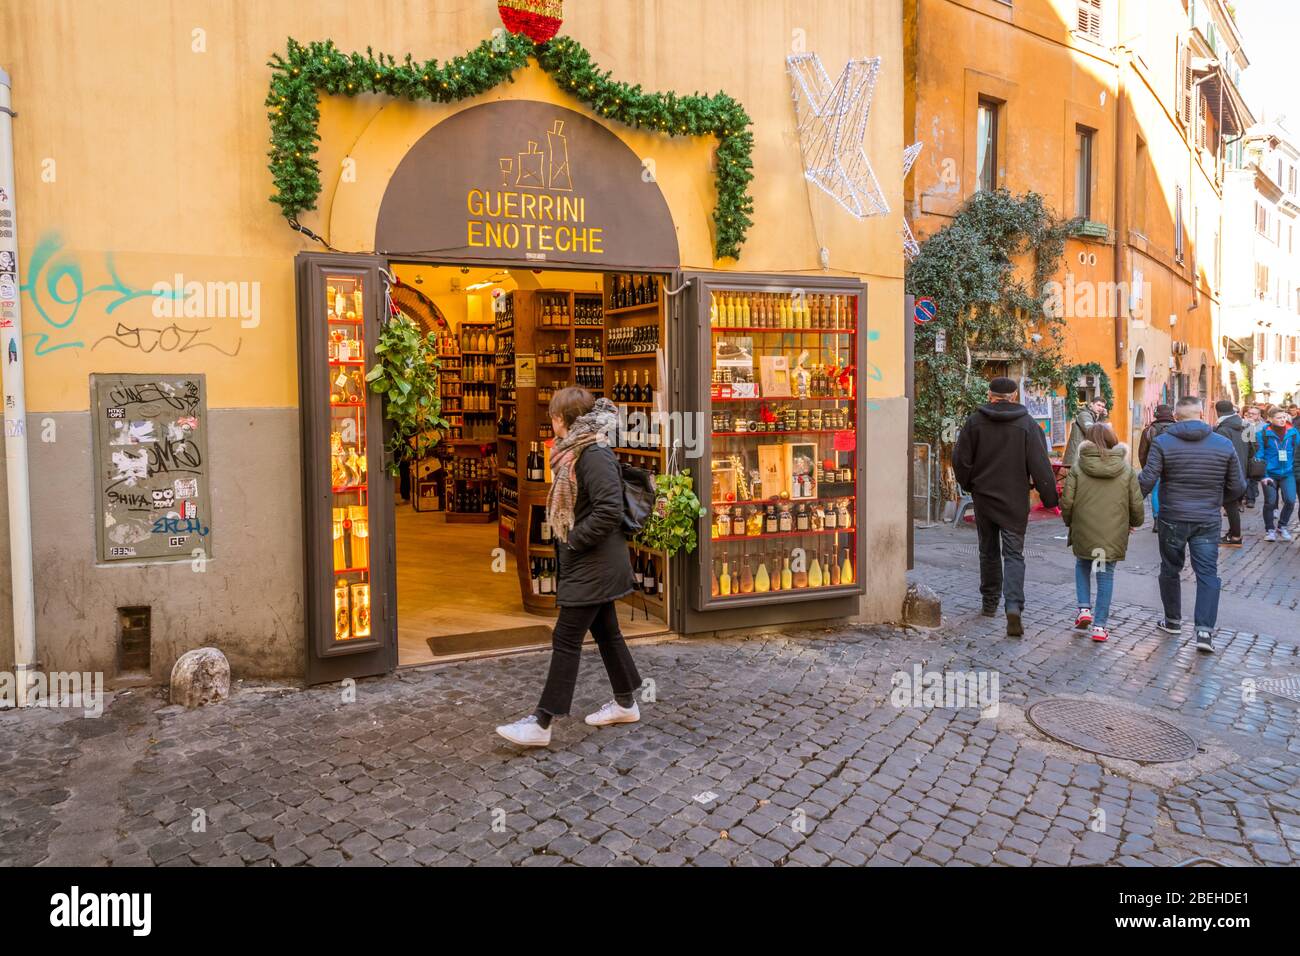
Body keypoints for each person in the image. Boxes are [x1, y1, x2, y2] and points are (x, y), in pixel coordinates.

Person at [496, 390, 643, 748]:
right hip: (593, 562)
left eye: (554, 416)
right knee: (607, 632)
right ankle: (626, 703)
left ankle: (541, 723)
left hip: (594, 562)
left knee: (566, 638)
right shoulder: (577, 451)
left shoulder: (593, 454)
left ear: (568, 419)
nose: (552, 421)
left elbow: (608, 510)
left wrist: (574, 539)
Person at [953, 377, 1060, 637]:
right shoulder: (1027, 424)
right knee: (1014, 554)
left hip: (984, 498)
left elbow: (960, 460)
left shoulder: (974, 422)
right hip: (1014, 500)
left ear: (990, 395)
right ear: (1014, 397)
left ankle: (989, 603)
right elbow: (1040, 465)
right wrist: (1050, 498)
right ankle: (1013, 606)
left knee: (988, 551)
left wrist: (970, 484)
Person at [1138, 396, 1246, 654]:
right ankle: (1205, 632)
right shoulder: (1223, 444)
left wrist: (1127, 512)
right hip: (1207, 519)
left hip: (1172, 516)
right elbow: (1238, 486)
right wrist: (1217, 500)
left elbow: (1146, 481)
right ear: (1201, 414)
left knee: (1170, 569)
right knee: (1207, 574)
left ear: (1176, 416)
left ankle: (1173, 620)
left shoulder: (1163, 442)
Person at [1060, 423, 1144, 643]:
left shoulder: (1078, 467)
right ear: (1112, 440)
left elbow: (1067, 501)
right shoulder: (1126, 469)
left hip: (1084, 526)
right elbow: (1135, 502)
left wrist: (1070, 522)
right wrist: (1134, 522)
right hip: (1113, 530)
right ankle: (1099, 627)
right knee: (1105, 574)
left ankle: (1084, 609)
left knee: (1083, 564)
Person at [1254, 405, 1299, 543]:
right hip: (1270, 474)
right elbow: (1259, 455)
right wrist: (1264, 475)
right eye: (1279, 418)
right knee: (1270, 502)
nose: (1282, 420)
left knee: (1291, 500)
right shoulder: (1262, 434)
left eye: (1284, 417)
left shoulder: (1293, 432)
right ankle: (1270, 530)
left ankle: (1282, 526)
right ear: (1270, 419)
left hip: (1288, 473)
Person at [1212, 399, 1249, 547]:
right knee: (1231, 504)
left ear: (1218, 411)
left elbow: (1219, 452)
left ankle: (1234, 535)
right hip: (1242, 468)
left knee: (1229, 504)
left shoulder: (1222, 429)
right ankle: (1234, 534)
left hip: (1226, 471)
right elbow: (1253, 448)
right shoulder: (1247, 426)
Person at [1138, 404, 1177, 532]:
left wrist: (1146, 468)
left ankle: (1157, 521)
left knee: (1155, 493)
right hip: (1175, 466)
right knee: (1173, 492)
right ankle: (1172, 519)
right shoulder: (1178, 428)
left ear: (1156, 414)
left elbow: (1142, 453)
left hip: (1155, 466)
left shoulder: (1149, 430)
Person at [1064, 396, 1109, 467]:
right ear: (1091, 404)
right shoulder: (1084, 415)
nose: (1100, 408)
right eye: (1098, 405)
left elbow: (1097, 428)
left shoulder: (1092, 416)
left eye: (1103, 407)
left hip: (1081, 455)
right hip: (1076, 456)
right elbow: (1091, 431)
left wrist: (1102, 417)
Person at [1242, 404, 1264, 509]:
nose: (1250, 415)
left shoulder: (1263, 426)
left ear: (1259, 415)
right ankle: (1247, 496)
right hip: (1245, 454)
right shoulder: (1242, 424)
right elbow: (1243, 439)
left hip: (1258, 455)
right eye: (1249, 413)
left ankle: (1251, 499)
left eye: (1253, 414)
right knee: (1245, 477)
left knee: (1253, 478)